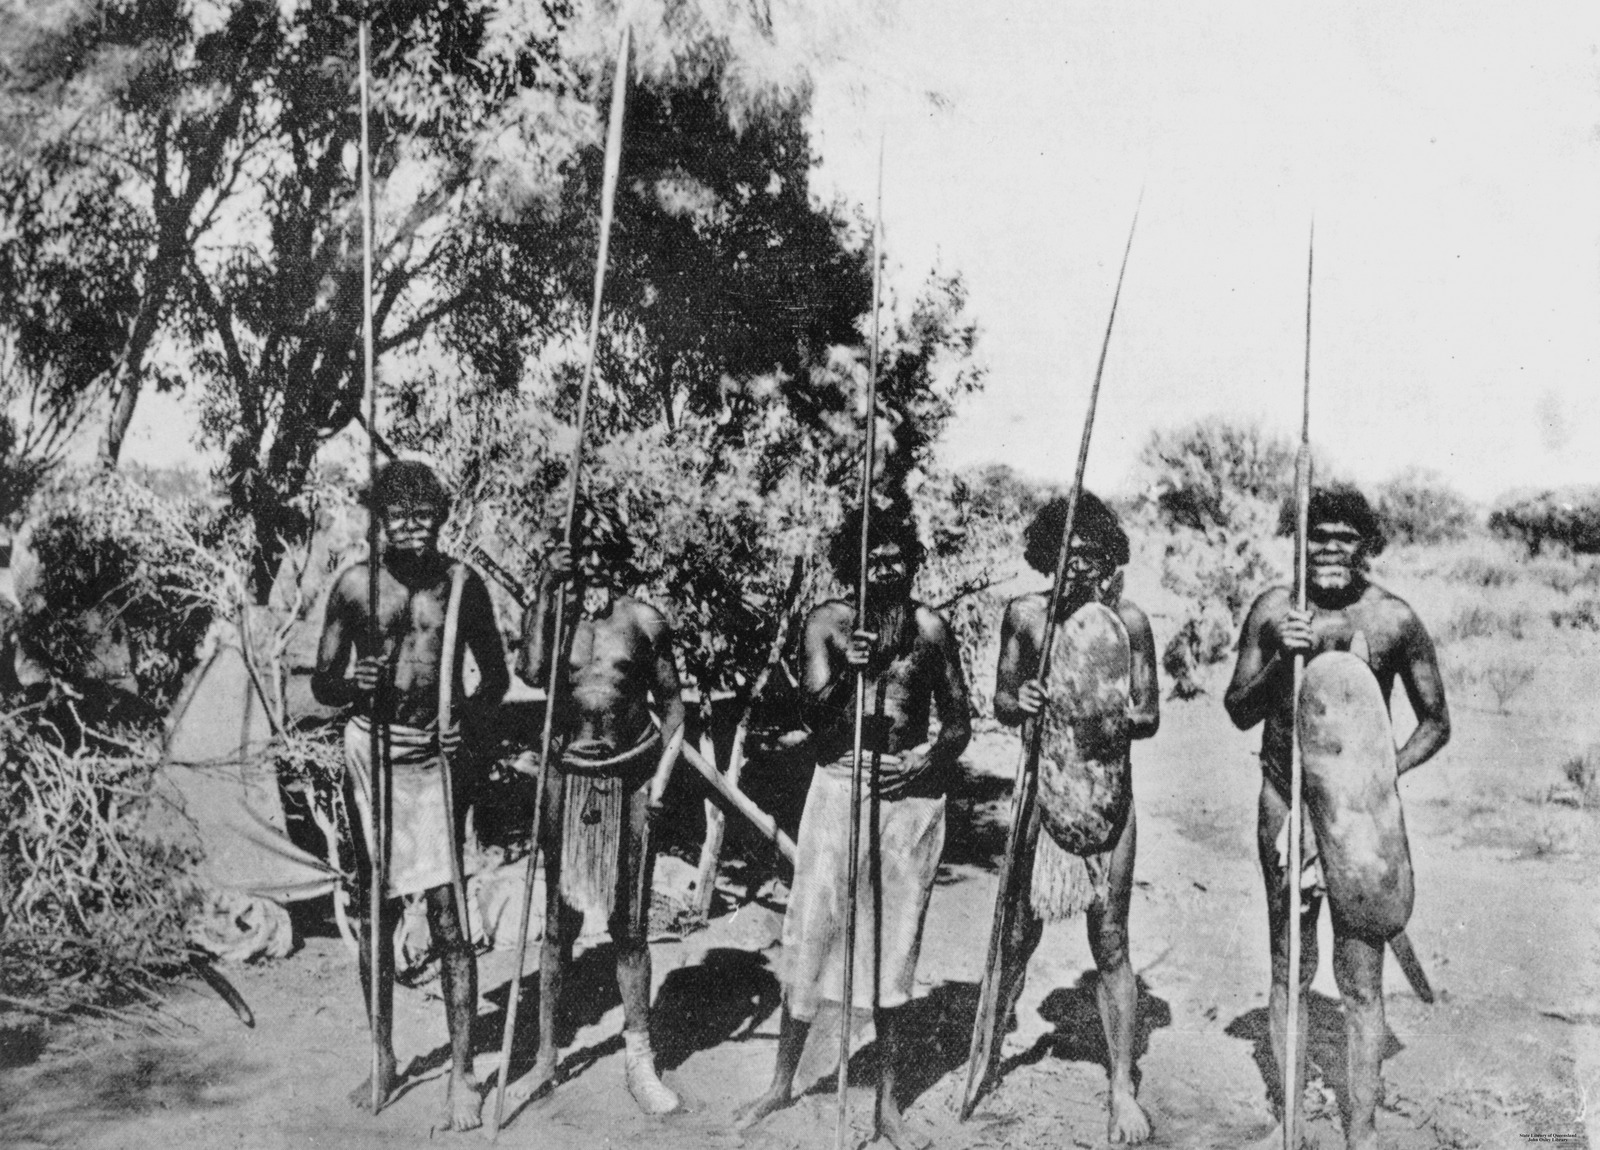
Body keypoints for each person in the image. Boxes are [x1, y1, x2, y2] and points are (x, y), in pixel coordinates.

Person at [735, 504, 971, 1149]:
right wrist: (849, 672)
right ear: (854, 562)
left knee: (895, 948)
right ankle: (783, 1082)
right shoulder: (828, 622)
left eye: (897, 555)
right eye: (873, 555)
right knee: (811, 930)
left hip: (909, 796)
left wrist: (928, 757)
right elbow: (814, 715)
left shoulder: (930, 629)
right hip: (839, 784)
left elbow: (959, 721)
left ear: (913, 561)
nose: (885, 565)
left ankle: (887, 1106)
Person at [1224, 483, 1450, 1150]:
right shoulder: (1273, 609)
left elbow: (1436, 724)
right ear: (1299, 540)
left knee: (1359, 977)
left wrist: (1379, 778)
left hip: (1357, 818)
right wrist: (1278, 665)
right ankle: (1290, 1125)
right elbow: (1238, 709)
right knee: (1289, 965)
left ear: (1366, 547)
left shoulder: (1393, 620)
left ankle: (1362, 1134)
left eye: (1344, 538)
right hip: (1284, 801)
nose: (1328, 549)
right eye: (1316, 536)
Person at [312, 459, 510, 1132]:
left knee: (451, 916)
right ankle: (384, 1057)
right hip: (372, 754)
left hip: (435, 759)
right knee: (376, 911)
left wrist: (468, 725)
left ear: (440, 518)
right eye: (399, 517)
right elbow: (322, 683)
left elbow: (498, 679)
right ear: (380, 521)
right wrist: (352, 681)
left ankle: (462, 1074)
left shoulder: (462, 586)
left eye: (424, 516)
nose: (412, 528)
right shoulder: (355, 586)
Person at [986, 492, 1160, 1145]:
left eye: (1092, 557)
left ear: (1109, 559)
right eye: (1068, 555)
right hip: (1042, 788)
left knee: (1110, 940)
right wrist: (1024, 696)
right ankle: (991, 1047)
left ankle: (1120, 1087)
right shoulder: (1027, 618)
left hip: (1109, 796)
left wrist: (1103, 707)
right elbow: (1003, 702)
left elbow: (1149, 715)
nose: (1080, 568)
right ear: (1047, 556)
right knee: (1016, 931)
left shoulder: (1129, 623)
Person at [514, 503, 686, 1114]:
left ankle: (640, 1060)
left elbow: (674, 711)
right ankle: (543, 1058)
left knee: (631, 926)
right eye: (577, 555)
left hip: (630, 778)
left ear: (615, 557)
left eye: (599, 554)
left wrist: (661, 782)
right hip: (568, 776)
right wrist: (542, 589)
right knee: (557, 926)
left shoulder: (643, 620)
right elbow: (532, 672)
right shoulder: (553, 619)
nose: (590, 566)